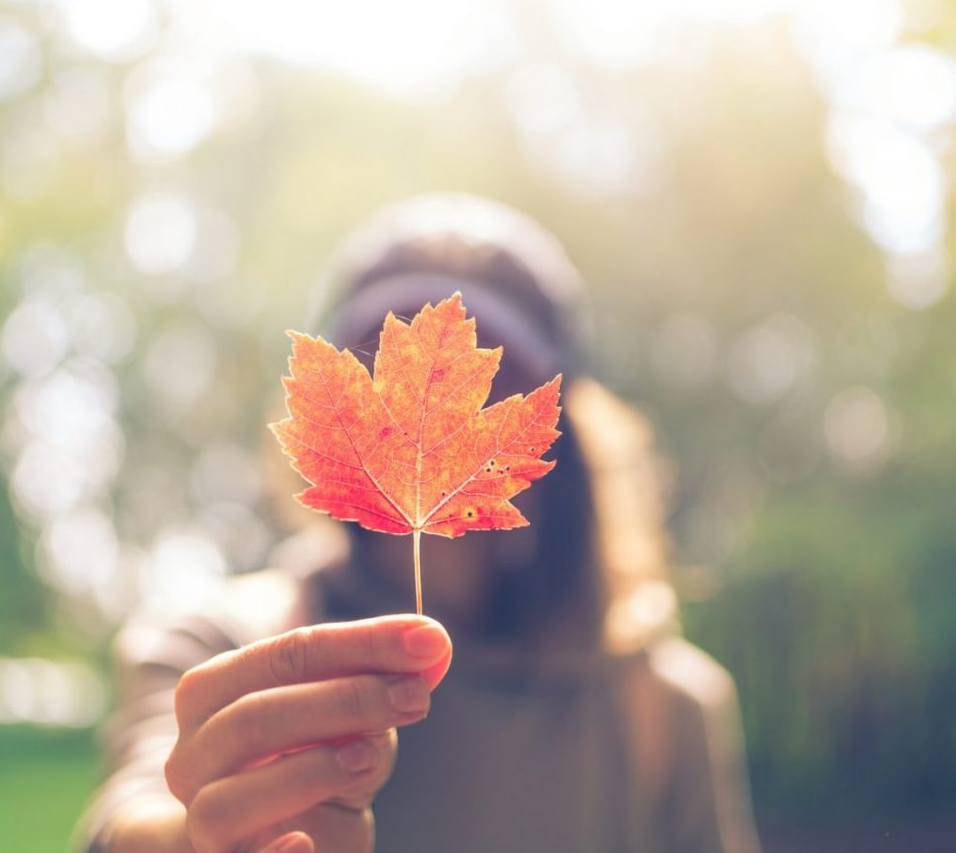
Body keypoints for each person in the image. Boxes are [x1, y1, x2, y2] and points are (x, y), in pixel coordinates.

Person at [76, 194, 761, 853]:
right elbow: (142, 805)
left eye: (497, 371)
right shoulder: (220, 645)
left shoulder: (661, 709)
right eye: (375, 362)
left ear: (564, 430)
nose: (426, 420)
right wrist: (185, 838)